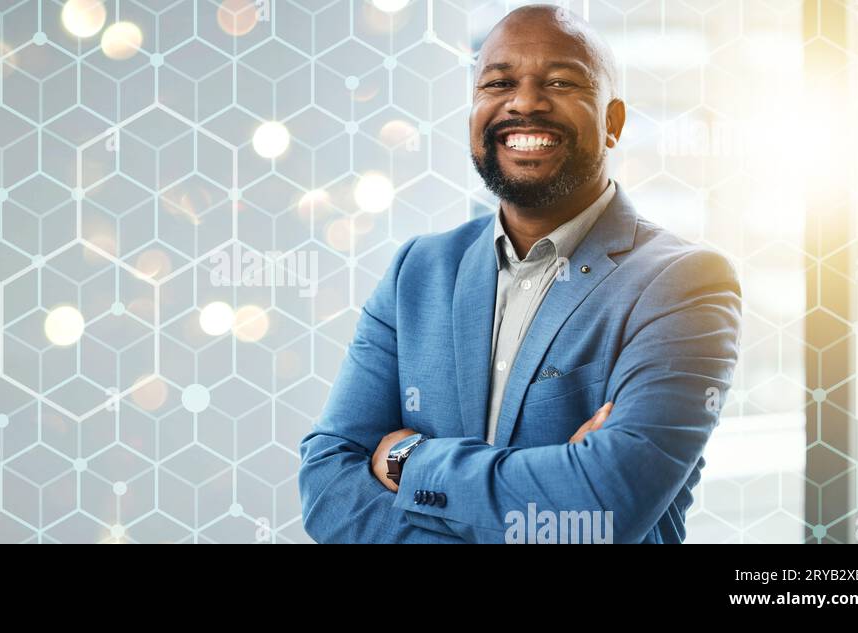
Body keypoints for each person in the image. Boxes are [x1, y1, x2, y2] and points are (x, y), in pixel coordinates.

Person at [297, 4, 742, 543]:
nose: (526, 102)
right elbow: (326, 485)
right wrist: (549, 481)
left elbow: (601, 508)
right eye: (498, 82)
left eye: (560, 81)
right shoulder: (417, 271)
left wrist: (408, 459)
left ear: (613, 123)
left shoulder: (683, 284)